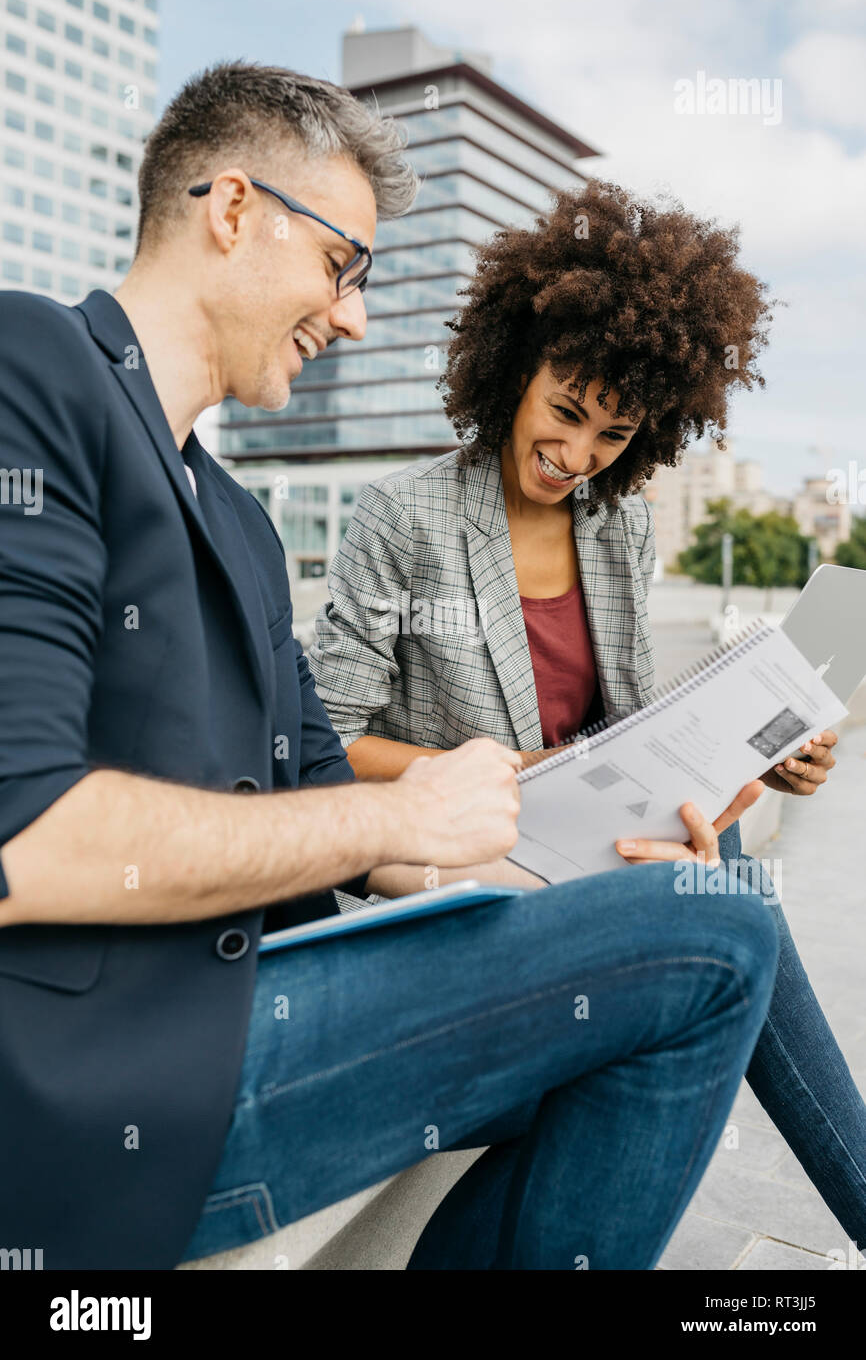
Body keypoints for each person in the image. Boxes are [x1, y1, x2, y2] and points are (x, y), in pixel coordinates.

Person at [0, 63, 779, 1273]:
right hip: (104, 1084)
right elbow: (24, 837)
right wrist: (399, 808)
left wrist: (554, 876)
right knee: (720, 943)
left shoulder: (243, 526)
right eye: (340, 264)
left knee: (697, 906)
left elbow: (354, 821)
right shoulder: (31, 369)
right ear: (233, 209)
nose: (354, 314)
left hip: (281, 990)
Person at [309, 179, 866, 1247]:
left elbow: (630, 724)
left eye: (613, 434)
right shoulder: (402, 517)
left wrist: (761, 758)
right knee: (739, 909)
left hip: (586, 858)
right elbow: (321, 743)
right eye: (564, 413)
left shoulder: (616, 530)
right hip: (457, 882)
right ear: (514, 371)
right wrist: (494, 766)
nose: (577, 455)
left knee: (730, 886)